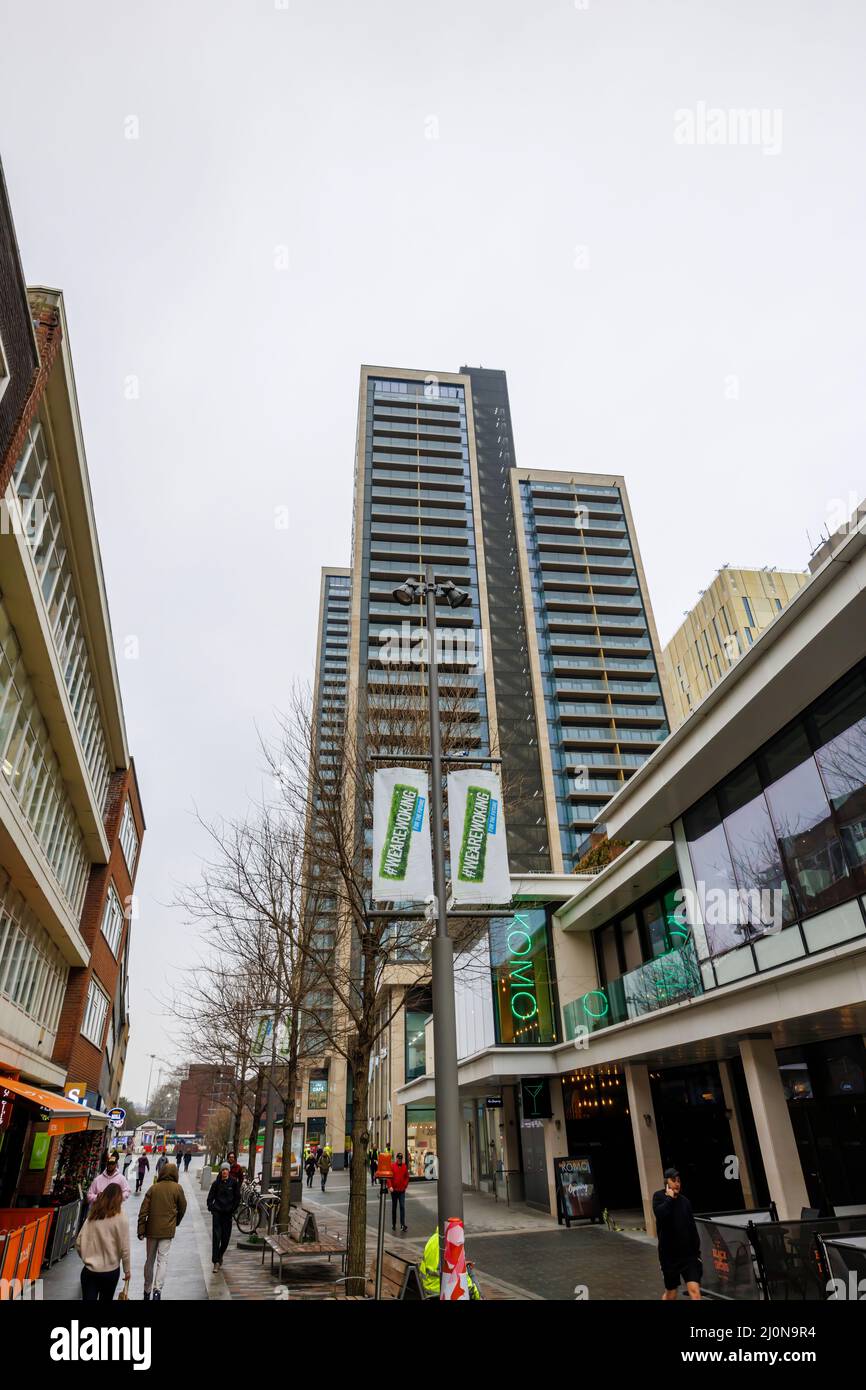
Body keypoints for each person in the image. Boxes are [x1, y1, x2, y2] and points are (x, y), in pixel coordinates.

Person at [137, 1161, 187, 1300]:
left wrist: (141, 1229)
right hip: (167, 1230)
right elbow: (183, 1207)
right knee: (162, 1261)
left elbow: (143, 1210)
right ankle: (157, 1290)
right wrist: (176, 1221)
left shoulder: (154, 1188)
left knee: (149, 1260)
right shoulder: (178, 1188)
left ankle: (146, 1290)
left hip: (151, 1229)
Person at [75, 1181, 131, 1302]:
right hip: (110, 1271)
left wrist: (86, 1257)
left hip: (89, 1271)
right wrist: (127, 1271)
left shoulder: (93, 1215)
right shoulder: (122, 1218)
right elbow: (125, 1249)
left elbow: (79, 1242)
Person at [652, 1166, 702, 1301]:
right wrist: (670, 1198)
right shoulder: (659, 1197)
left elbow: (692, 1229)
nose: (677, 1183)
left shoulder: (685, 1202)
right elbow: (660, 1214)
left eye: (679, 1180)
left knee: (695, 1292)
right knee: (671, 1294)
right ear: (666, 1182)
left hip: (688, 1256)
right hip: (669, 1257)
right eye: (674, 1180)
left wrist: (697, 1254)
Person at [418, 1231, 480, 1299]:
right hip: (442, 1291)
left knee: (466, 1268)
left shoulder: (433, 1239)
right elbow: (465, 1283)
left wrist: (462, 1264)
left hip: (428, 1287)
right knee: (470, 1272)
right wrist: (476, 1293)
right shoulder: (452, 1243)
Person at [207, 1162, 240, 1271]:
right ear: (221, 1171)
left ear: (228, 1171)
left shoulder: (234, 1183)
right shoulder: (216, 1183)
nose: (224, 1171)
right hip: (217, 1213)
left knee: (225, 1239)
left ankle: (220, 1255)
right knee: (216, 1237)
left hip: (227, 1214)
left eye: (226, 1169)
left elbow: (237, 1198)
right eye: (222, 1170)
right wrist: (212, 1208)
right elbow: (210, 1198)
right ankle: (216, 1261)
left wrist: (232, 1209)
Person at [388, 1151, 410, 1232]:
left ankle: (402, 1224)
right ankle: (393, 1224)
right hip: (394, 1191)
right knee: (394, 1208)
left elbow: (407, 1177)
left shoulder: (404, 1166)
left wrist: (405, 1185)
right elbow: (389, 1177)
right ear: (396, 1158)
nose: (400, 1160)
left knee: (402, 1207)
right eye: (399, 1158)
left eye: (401, 1159)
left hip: (401, 1191)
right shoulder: (392, 1166)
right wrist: (390, 1186)